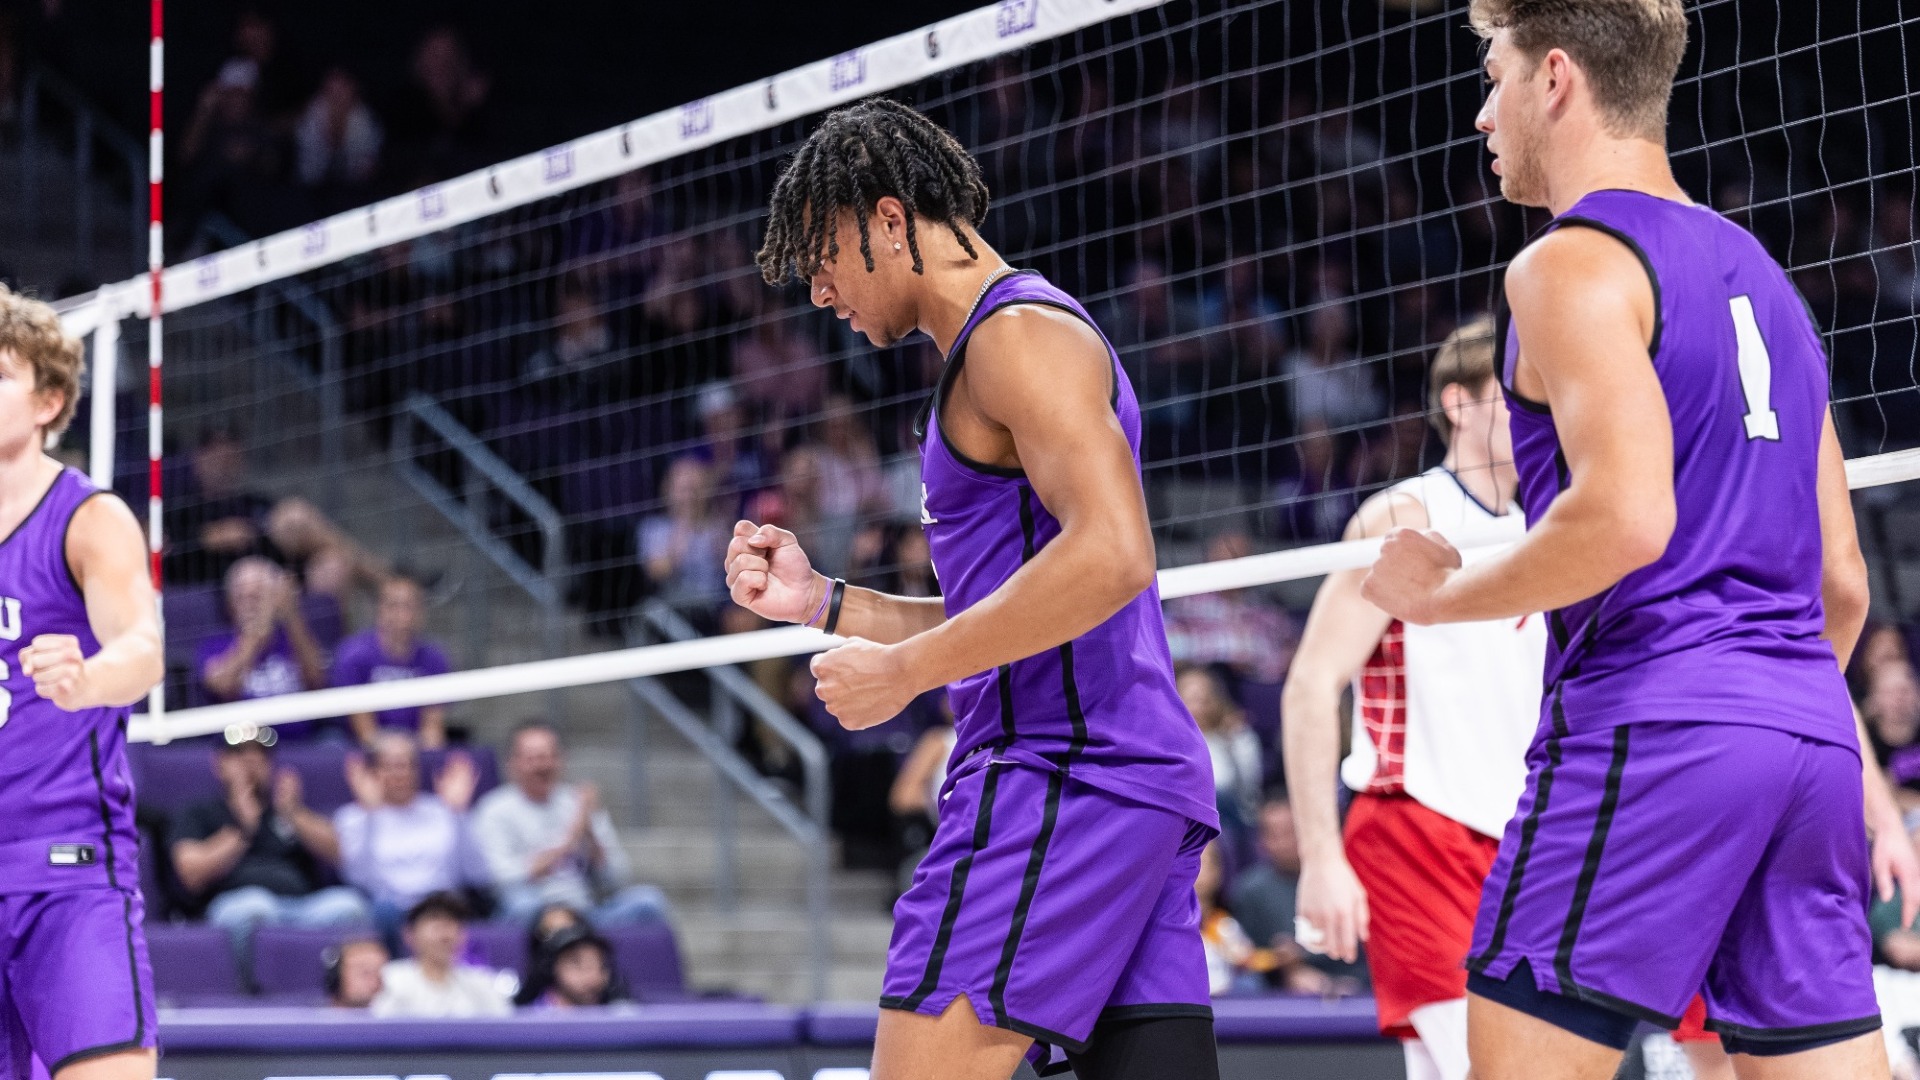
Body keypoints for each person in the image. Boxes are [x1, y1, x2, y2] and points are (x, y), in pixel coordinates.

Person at [1363, 5, 1920, 1076]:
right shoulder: (1766, 275)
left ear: (1556, 77)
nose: (1483, 112)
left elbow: (1625, 517)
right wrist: (1764, 713)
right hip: (1809, 737)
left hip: (1654, 719)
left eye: (1495, 76)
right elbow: (1842, 583)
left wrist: (1439, 595)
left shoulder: (1566, 263)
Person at [734, 99, 1219, 1080]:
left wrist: (907, 673)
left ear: (885, 219)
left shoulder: (1016, 340)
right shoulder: (1006, 345)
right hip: (1132, 778)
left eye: (821, 255)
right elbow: (1025, 608)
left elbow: (1114, 557)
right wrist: (826, 604)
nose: (819, 291)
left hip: (1060, 778)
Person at [1280, 318, 1541, 1080]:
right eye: (1518, 396)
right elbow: (1309, 685)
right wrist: (1321, 857)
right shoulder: (1407, 516)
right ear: (1459, 405)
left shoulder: (1549, 529)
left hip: (1515, 843)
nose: (1537, 413)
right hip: (1414, 831)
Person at [0, 287, 165, 1078]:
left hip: (65, 876)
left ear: (49, 400)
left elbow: (145, 646)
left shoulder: (87, 517)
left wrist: (88, 676)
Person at [169, 737, 368, 961]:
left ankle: (331, 989)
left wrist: (295, 814)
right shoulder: (200, 812)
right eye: (240, 756)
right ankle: (251, 991)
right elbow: (190, 873)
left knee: (349, 906)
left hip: (302, 906)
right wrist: (243, 828)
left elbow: (339, 854)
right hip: (236, 903)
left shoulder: (286, 810)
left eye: (260, 757)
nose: (252, 763)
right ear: (220, 764)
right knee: (257, 907)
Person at [471, 722, 670, 928]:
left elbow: (618, 877)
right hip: (534, 915)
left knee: (649, 900)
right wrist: (571, 838)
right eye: (533, 758)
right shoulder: (494, 808)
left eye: (550, 756)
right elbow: (498, 879)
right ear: (512, 764)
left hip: (586, 911)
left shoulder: (578, 802)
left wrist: (590, 832)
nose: (543, 766)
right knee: (520, 904)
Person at [333, 731, 489, 939]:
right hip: (389, 912)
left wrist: (459, 815)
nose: (400, 773)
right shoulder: (353, 817)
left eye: (406, 765)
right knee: (383, 910)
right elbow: (358, 879)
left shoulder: (444, 810)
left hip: (442, 905)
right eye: (390, 766)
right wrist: (371, 816)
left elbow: (479, 875)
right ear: (374, 772)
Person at [196, 557, 329, 720]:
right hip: (243, 739)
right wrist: (255, 636)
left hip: (300, 739)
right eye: (242, 597)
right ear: (229, 603)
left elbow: (318, 680)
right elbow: (221, 686)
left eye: (257, 596)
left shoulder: (294, 637)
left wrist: (292, 615)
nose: (250, 605)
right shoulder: (216, 643)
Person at [331, 575, 452, 748]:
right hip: (361, 750)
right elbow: (364, 729)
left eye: (409, 606)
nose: (402, 615)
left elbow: (433, 729)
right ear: (379, 609)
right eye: (393, 605)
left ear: (421, 612)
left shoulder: (434, 659)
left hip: (413, 752)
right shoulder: (354, 654)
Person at [370, 892, 512, 1018]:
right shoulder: (390, 979)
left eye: (453, 926)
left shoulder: (481, 982)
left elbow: (506, 1029)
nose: (446, 936)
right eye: (437, 927)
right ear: (409, 935)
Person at [525, 925, 623, 1009]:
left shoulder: (618, 1016)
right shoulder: (525, 1021)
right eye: (577, 964)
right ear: (550, 968)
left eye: (601, 966)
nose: (593, 977)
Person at [326, 937, 388, 1009]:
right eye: (365, 973)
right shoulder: (317, 1018)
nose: (375, 983)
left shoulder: (395, 1016)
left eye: (379, 974)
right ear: (337, 978)